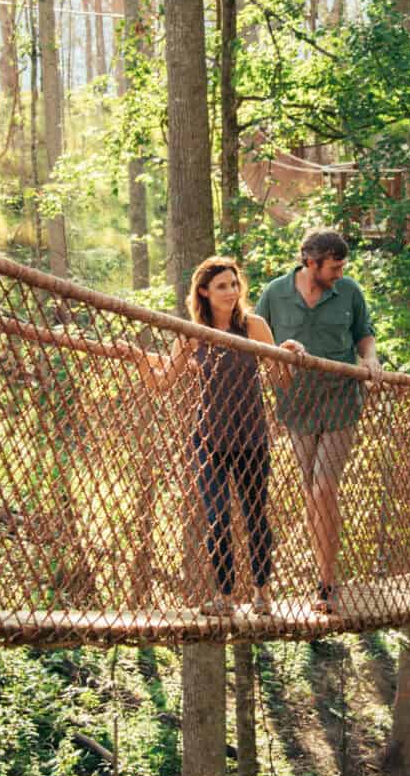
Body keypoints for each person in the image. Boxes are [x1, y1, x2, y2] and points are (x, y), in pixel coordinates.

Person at [135, 257, 284, 615]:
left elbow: (279, 377)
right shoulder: (192, 334)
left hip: (251, 437)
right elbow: (162, 385)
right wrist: (138, 359)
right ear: (203, 292)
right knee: (218, 518)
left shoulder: (253, 326)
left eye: (234, 284)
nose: (231, 292)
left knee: (255, 515)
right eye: (222, 286)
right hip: (209, 439)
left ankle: (262, 593)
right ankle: (225, 597)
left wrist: (287, 353)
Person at [255, 228, 382, 614]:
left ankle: (327, 582)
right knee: (311, 491)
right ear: (311, 263)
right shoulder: (275, 293)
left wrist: (370, 359)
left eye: (342, 267)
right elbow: (256, 338)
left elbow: (364, 336)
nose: (340, 273)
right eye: (334, 267)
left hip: (342, 399)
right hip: (296, 404)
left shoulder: (349, 292)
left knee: (325, 486)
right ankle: (321, 574)